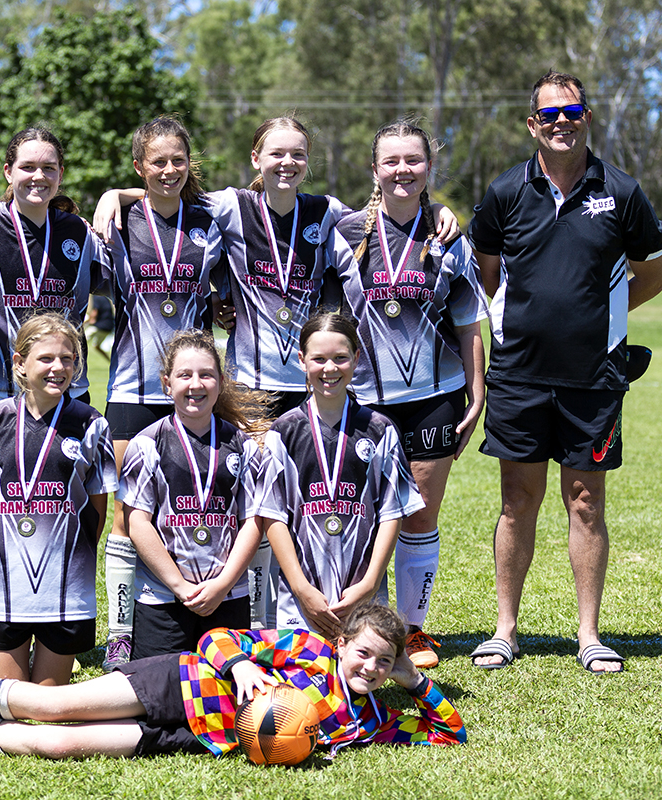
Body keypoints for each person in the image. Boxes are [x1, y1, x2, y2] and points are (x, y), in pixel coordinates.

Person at [94, 117, 458, 633]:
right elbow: (168, 189)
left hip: (310, 389)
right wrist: (116, 194)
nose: (287, 163)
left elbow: (388, 213)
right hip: (252, 390)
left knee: (300, 509)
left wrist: (436, 208)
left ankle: (320, 618)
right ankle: (234, 627)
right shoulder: (229, 207)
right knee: (257, 511)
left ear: (307, 161)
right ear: (256, 159)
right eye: (276, 153)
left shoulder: (326, 212)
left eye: (297, 154)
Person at [469, 70, 662, 673]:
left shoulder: (621, 190)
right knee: (517, 500)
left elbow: (653, 270)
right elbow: (487, 272)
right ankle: (505, 630)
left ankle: (589, 635)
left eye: (572, 112)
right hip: (518, 376)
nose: (561, 122)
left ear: (586, 118)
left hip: (594, 378)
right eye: (549, 114)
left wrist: (604, 314)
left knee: (586, 502)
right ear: (533, 124)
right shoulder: (505, 191)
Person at [0, 602, 465, 757]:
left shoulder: (371, 720)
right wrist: (241, 665)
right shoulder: (307, 650)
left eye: (383, 663)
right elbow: (217, 639)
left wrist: (414, 682)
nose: (371, 668)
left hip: (204, 738)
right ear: (342, 644)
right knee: (55, 706)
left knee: (61, 744)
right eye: (364, 654)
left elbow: (448, 734)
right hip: (183, 683)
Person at [0, 128, 108, 676]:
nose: (38, 176)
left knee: (65, 509)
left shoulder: (77, 233)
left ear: (61, 175)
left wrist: (119, 194)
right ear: (7, 172)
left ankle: (56, 615)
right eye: (28, 167)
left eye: (49, 167)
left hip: (67, 399)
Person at [332, 121, 487, 668]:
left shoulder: (448, 235)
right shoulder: (343, 232)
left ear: (429, 167)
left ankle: (413, 631)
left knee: (419, 516)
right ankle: (360, 629)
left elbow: (468, 320)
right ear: (374, 169)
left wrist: (477, 391)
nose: (403, 170)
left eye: (413, 160)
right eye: (391, 161)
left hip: (434, 396)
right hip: (364, 399)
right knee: (361, 518)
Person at [98, 118, 230, 672]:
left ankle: (217, 609)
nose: (170, 170)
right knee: (128, 513)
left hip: (194, 385)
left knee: (202, 500)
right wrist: (114, 195)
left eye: (178, 160)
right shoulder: (118, 222)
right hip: (132, 385)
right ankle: (120, 632)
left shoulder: (211, 222)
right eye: (158, 161)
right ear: (140, 167)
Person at [0, 313, 117, 684]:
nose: (58, 367)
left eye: (67, 359)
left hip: (66, 589)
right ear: (20, 363)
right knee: (9, 702)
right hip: (6, 586)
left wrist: (74, 559)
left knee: (46, 705)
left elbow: (97, 509)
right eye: (46, 358)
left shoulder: (92, 424)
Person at [260, 311, 424, 639]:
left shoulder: (379, 429)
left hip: (363, 596)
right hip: (300, 600)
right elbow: (272, 516)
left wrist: (370, 582)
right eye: (319, 359)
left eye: (340, 358)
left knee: (361, 668)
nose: (330, 368)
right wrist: (301, 588)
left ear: (356, 358)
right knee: (306, 671)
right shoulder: (283, 431)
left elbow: (392, 513)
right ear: (301, 360)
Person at [120, 329, 268, 659]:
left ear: (221, 382)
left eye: (206, 375)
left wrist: (223, 584)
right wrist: (179, 586)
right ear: (166, 383)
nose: (196, 384)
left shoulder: (243, 446)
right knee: (162, 691)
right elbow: (138, 523)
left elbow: (253, 522)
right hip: (162, 596)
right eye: (184, 375)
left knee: (225, 689)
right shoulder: (146, 444)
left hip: (227, 595)